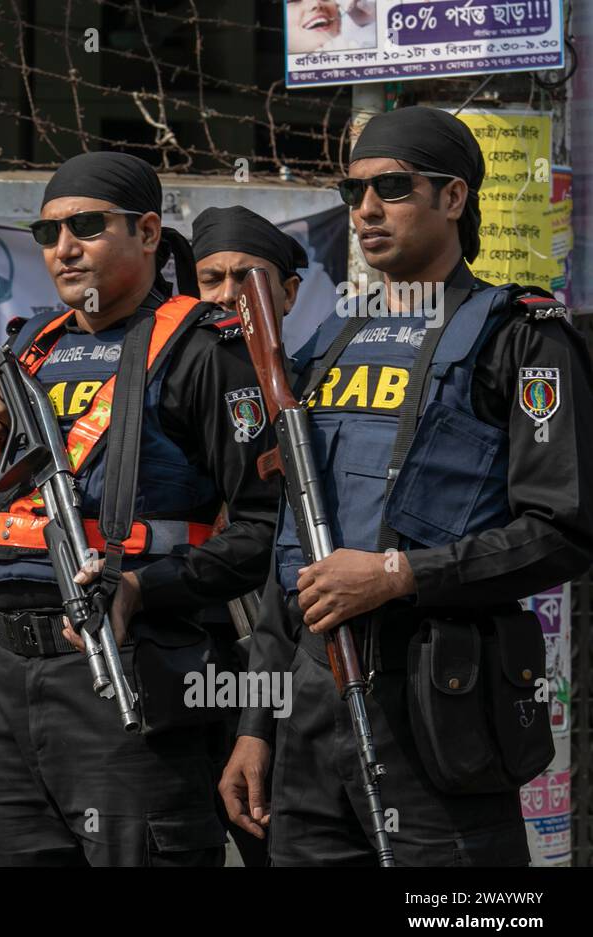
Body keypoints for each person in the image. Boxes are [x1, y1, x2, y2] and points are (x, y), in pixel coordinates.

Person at [220, 105, 593, 866]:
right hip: (311, 716)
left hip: (438, 703)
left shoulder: (520, 335)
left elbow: (563, 531)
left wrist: (397, 575)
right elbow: (290, 554)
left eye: (392, 187)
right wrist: (256, 723)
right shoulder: (330, 347)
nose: (364, 210)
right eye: (352, 191)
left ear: (453, 199)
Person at [0, 152, 280, 866]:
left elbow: (268, 530)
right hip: (15, 679)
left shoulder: (205, 350)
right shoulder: (30, 347)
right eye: (50, 232)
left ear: (148, 233)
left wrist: (141, 588)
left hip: (137, 674)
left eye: (87, 228)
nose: (64, 248)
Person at [188, 203, 311, 868]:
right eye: (211, 280)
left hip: (285, 673)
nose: (229, 297)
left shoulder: (318, 383)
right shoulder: (172, 383)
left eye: (247, 278)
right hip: (186, 671)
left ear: (288, 293)